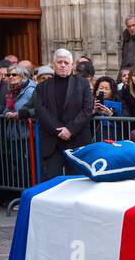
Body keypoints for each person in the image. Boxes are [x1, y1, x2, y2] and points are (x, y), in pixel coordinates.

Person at [34, 49, 94, 183]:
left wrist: (70, 129)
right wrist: (59, 129)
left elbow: (87, 109)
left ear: (72, 65)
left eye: (66, 62)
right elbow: (40, 109)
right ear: (53, 64)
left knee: (78, 182)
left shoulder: (82, 83)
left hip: (77, 140)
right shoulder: (42, 87)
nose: (62, 65)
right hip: (52, 142)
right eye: (59, 62)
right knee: (50, 181)